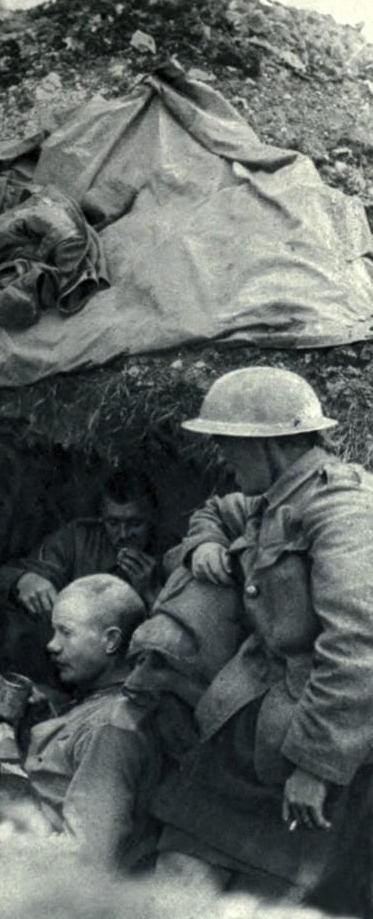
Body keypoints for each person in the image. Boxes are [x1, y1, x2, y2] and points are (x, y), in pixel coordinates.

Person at [147, 366, 373, 906]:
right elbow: (217, 512)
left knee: (271, 899)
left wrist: (316, 767)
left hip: (316, 745)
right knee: (176, 865)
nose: (223, 455)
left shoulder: (342, 512)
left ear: (268, 443)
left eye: (229, 443)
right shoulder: (278, 495)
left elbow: (359, 645)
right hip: (250, 728)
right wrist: (203, 543)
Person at [0, 574, 160, 873]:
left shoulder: (112, 730)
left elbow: (84, 859)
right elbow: (68, 764)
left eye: (66, 632)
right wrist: (37, 718)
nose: (52, 646)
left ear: (111, 641)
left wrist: (4, 755)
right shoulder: (106, 700)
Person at [0, 470, 160, 681]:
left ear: (152, 519)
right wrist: (24, 580)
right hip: (64, 671)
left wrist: (150, 594)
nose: (123, 535)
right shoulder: (78, 539)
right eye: (113, 523)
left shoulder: (170, 553)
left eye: (135, 524)